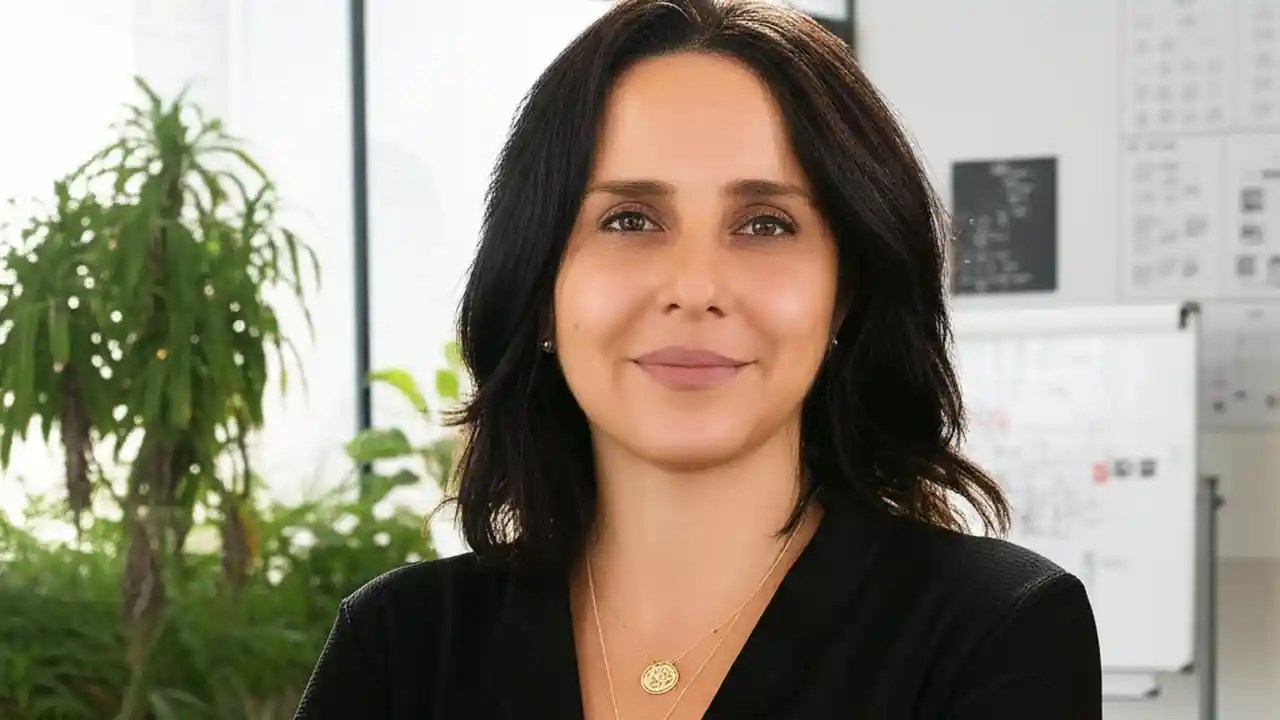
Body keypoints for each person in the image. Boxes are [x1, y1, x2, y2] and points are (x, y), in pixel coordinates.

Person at [294, 0, 1102, 717]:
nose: (695, 288)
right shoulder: (400, 647)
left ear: (845, 293)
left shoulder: (994, 633)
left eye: (764, 224)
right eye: (629, 220)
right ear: (542, 285)